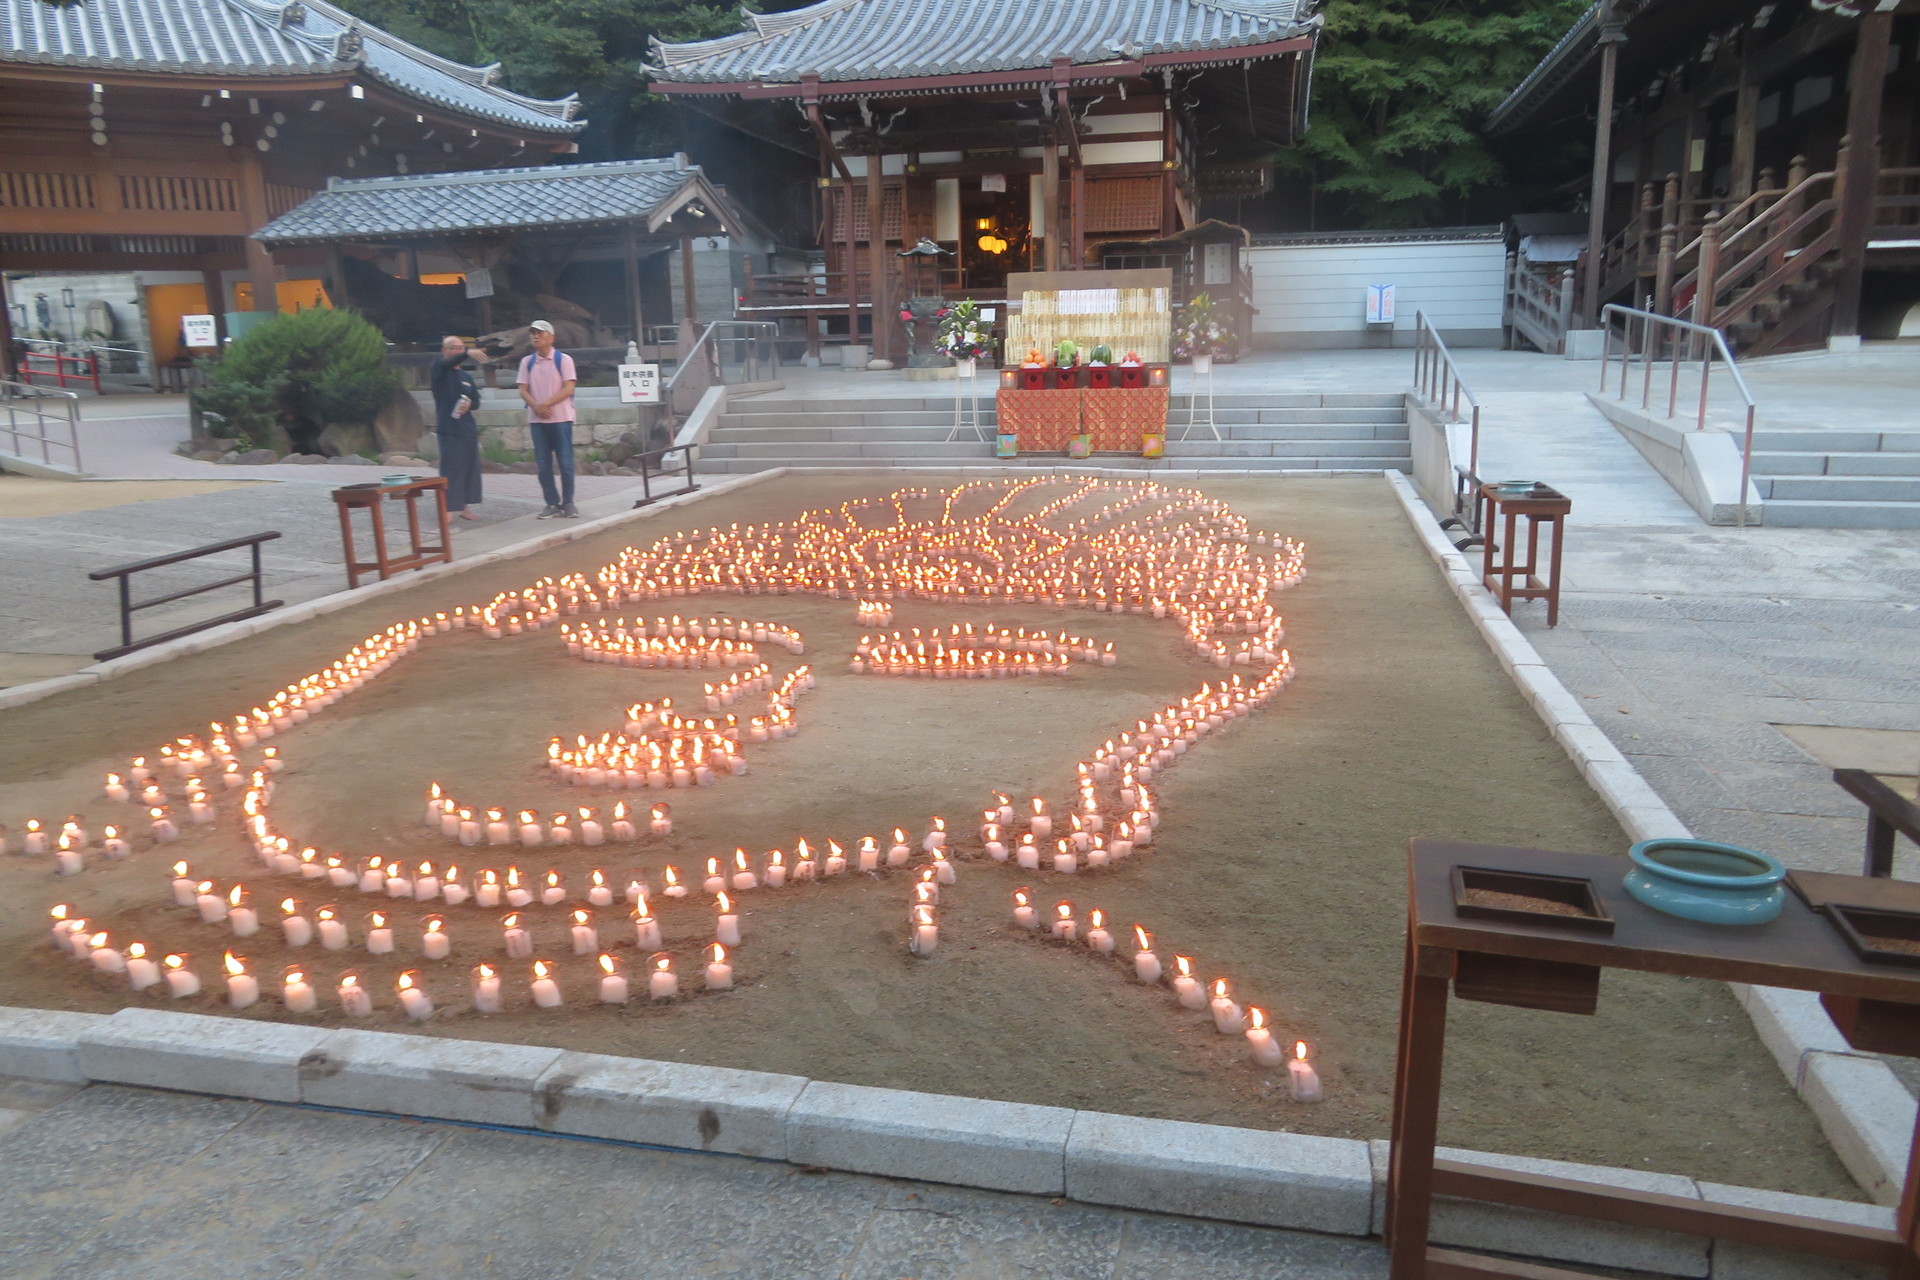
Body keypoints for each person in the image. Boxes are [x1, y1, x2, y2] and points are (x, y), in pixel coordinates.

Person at [517, 319, 578, 519]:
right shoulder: (527, 362)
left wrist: (546, 404)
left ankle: (568, 502)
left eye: (540, 333)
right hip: (538, 420)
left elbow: (569, 387)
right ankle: (551, 503)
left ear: (551, 338)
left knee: (566, 463)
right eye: (533, 333)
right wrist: (536, 406)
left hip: (561, 419)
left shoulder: (564, 360)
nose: (536, 336)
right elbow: (522, 389)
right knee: (543, 465)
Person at [429, 335, 486, 522]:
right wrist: (468, 352)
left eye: (461, 347)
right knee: (451, 469)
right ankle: (448, 508)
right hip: (449, 428)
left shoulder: (466, 376)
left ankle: (463, 506)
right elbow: (450, 362)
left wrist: (469, 404)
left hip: (467, 428)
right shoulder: (439, 369)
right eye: (453, 347)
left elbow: (476, 401)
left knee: (470, 468)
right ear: (444, 351)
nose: (458, 351)